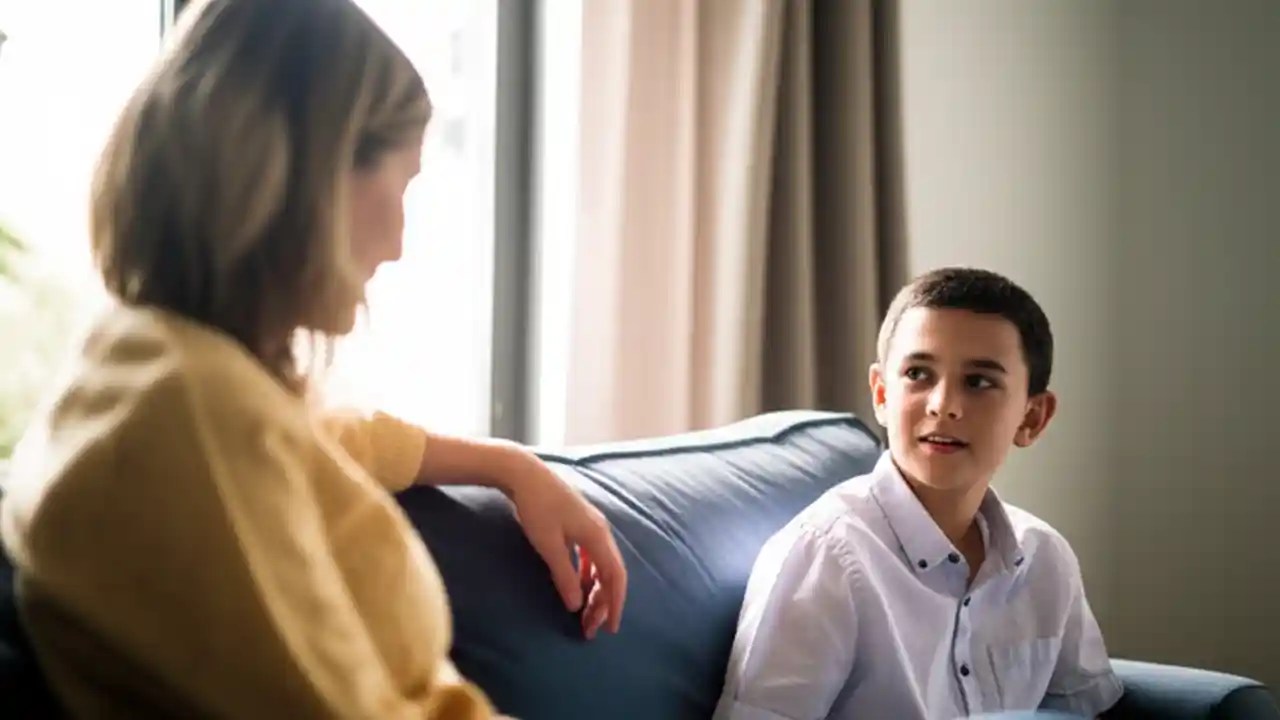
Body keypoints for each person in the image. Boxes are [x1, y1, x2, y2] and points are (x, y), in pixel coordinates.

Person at [0, 0, 626, 717]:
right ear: (311, 176)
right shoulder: (192, 410)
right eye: (402, 184)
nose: (397, 241)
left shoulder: (153, 369)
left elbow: (330, 438)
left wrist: (510, 467)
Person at [714, 267, 1122, 719]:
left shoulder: (1045, 557)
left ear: (1032, 418)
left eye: (979, 382)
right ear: (882, 395)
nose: (942, 404)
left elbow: (1081, 708)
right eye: (918, 373)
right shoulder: (825, 556)